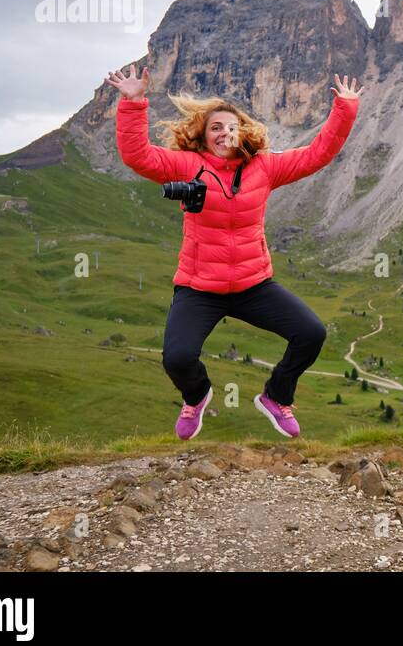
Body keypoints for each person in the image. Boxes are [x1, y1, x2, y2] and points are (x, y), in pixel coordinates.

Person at [104, 63, 362, 440]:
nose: (224, 132)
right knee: (177, 358)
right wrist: (134, 102)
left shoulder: (265, 168)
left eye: (231, 125)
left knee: (311, 333)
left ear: (243, 131)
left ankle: (276, 396)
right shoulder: (188, 166)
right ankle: (197, 396)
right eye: (215, 127)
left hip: (252, 285)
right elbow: (137, 156)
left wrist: (346, 108)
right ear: (203, 136)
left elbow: (318, 154)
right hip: (199, 288)